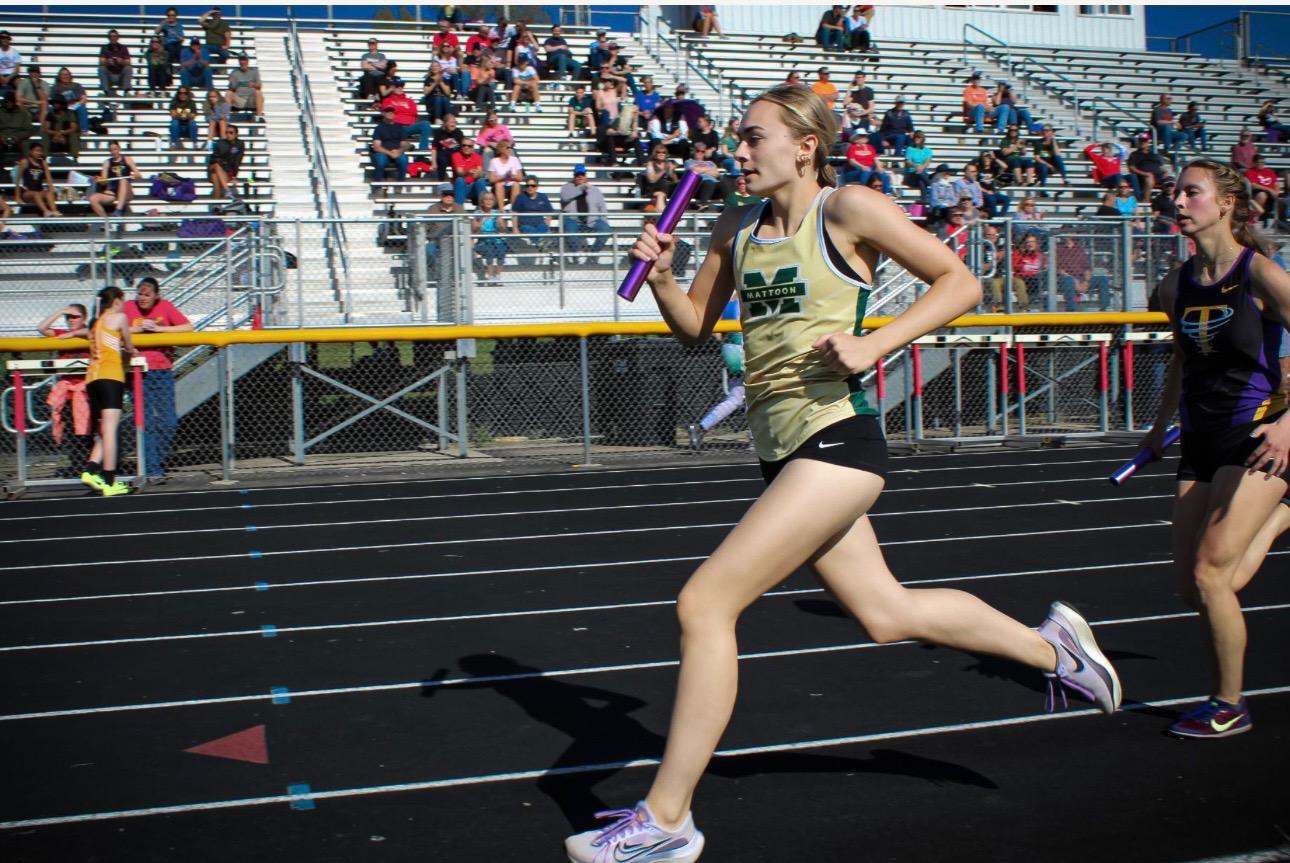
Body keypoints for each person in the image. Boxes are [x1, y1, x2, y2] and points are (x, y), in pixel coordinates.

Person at [565, 83, 1120, 863]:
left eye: (754, 137)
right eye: (737, 138)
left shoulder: (848, 209)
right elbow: (694, 330)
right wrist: (660, 277)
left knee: (706, 603)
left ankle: (666, 821)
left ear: (804, 145)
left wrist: (878, 342)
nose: (740, 150)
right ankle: (1054, 649)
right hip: (780, 448)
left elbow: (962, 283)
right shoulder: (734, 225)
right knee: (885, 611)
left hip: (839, 442)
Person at [1139, 158, 1290, 739]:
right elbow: (1181, 357)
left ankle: (1229, 704)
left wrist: (1287, 428)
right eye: (1175, 192)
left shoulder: (1259, 274)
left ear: (1226, 204)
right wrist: (1157, 428)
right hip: (1198, 438)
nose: (1178, 201)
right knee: (1192, 585)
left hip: (1256, 433)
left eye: (1192, 192)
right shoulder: (1173, 285)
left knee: (1210, 572)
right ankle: (1277, 522)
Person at [124, 277, 192, 482]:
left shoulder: (165, 306)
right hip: (137, 371)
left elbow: (188, 327)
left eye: (147, 294)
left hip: (163, 371)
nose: (142, 298)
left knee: (169, 421)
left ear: (156, 295)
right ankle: (152, 469)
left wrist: (159, 328)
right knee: (146, 422)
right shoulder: (128, 307)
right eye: (140, 294)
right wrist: (137, 329)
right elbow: (113, 329)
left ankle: (157, 462)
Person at [81, 286, 137, 497]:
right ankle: (109, 481)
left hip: (92, 378)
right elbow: (128, 346)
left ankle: (91, 469)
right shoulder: (119, 317)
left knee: (104, 430)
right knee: (111, 430)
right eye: (123, 300)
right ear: (116, 301)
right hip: (111, 376)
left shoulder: (94, 324)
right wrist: (130, 351)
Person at [37, 304, 92, 476]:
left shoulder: (88, 332)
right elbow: (42, 328)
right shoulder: (62, 334)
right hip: (68, 393)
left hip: (86, 391)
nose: (71, 320)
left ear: (84, 318)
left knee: (88, 430)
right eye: (68, 317)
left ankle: (89, 464)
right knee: (71, 430)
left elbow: (94, 333)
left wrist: (75, 333)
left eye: (75, 317)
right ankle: (76, 464)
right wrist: (61, 311)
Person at [688, 330, 745, 450]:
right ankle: (757, 437)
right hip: (745, 348)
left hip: (730, 350)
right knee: (756, 394)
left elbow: (717, 334)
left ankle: (701, 427)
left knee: (736, 398)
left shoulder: (723, 310)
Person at [559, 164, 611, 260]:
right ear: (574, 175)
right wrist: (582, 188)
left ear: (586, 175)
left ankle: (593, 254)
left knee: (606, 229)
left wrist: (605, 221)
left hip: (592, 220)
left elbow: (602, 208)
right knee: (569, 228)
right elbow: (565, 198)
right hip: (573, 220)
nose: (580, 176)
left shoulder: (595, 190)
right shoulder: (566, 187)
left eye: (582, 174)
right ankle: (576, 254)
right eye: (577, 174)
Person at [1055, 234, 1110, 311]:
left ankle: (1104, 308)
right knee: (1069, 281)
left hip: (1081, 278)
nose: (1067, 236)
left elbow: (1086, 268)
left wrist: (1086, 281)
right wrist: (1074, 281)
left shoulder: (1079, 249)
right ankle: (1071, 310)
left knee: (1103, 279)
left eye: (1069, 233)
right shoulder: (1058, 249)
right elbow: (1058, 269)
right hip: (1065, 278)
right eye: (1065, 233)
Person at [89, 140, 141, 217]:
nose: (114, 152)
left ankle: (118, 210)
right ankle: (107, 223)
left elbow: (139, 175)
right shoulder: (107, 162)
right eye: (111, 150)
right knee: (93, 199)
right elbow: (104, 181)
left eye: (115, 149)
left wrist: (134, 175)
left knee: (123, 180)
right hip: (113, 192)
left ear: (119, 149)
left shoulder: (127, 159)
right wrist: (99, 179)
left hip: (126, 191)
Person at [381, 78, 432, 153]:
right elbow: (388, 115)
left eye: (401, 86)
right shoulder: (387, 100)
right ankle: (405, 145)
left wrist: (398, 112)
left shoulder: (410, 101)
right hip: (395, 127)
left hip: (408, 127)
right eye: (397, 86)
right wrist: (404, 112)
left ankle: (422, 150)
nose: (400, 88)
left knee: (426, 124)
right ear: (392, 88)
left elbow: (414, 114)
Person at [422, 182, 460, 277]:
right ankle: (438, 275)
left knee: (468, 253)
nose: (449, 197)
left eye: (451, 194)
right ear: (440, 195)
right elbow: (425, 227)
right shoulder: (432, 209)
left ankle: (457, 277)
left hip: (455, 241)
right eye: (446, 194)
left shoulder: (460, 209)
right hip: (436, 240)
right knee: (428, 250)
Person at [472, 189, 509, 284]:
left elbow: (503, 229)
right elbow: (474, 230)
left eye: (491, 199)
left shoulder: (496, 213)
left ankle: (498, 275)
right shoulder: (478, 213)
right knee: (490, 251)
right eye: (486, 199)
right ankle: (490, 275)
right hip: (483, 240)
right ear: (482, 201)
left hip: (496, 239)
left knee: (501, 250)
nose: (488, 201)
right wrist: (480, 222)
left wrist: (500, 223)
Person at [512, 175, 555, 251]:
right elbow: (514, 213)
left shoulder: (543, 197)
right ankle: (541, 243)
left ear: (537, 186)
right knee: (530, 229)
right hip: (525, 225)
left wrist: (547, 224)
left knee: (544, 227)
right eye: (528, 185)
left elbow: (550, 212)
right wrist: (515, 228)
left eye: (533, 185)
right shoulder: (520, 197)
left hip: (539, 224)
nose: (530, 187)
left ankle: (539, 242)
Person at [16, 141, 57, 218]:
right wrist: (17, 197)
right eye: (37, 151)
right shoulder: (25, 162)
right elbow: (18, 180)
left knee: (48, 193)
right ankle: (45, 211)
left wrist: (52, 190)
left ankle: (54, 210)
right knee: (35, 193)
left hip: (39, 190)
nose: (39, 153)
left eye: (40, 151)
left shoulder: (43, 163)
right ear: (30, 151)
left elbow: (49, 179)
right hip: (27, 193)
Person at [1127, 134, 1171, 204]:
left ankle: (1169, 202)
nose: (1143, 143)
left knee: (1171, 180)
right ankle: (1146, 200)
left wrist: (1165, 171)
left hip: (1158, 175)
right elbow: (1131, 168)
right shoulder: (1134, 154)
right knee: (1149, 177)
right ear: (1138, 142)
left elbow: (1161, 166)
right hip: (1143, 176)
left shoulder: (1154, 154)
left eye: (1144, 141)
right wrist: (1145, 173)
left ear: (1148, 142)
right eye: (1141, 141)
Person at [370, 105, 408, 181]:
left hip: (397, 151)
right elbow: (377, 146)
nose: (391, 113)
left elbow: (404, 144)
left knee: (404, 160)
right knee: (380, 162)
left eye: (392, 112)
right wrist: (390, 153)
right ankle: (378, 186)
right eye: (388, 112)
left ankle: (400, 185)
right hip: (384, 152)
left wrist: (399, 151)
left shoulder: (400, 127)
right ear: (383, 114)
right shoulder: (379, 128)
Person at [208, 123, 244, 201]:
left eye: (231, 133)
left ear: (236, 134)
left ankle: (217, 207)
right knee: (216, 165)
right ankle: (228, 191)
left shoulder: (240, 144)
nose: (228, 135)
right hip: (215, 166)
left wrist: (234, 176)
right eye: (226, 132)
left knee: (216, 181)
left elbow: (237, 161)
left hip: (226, 171)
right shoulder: (221, 143)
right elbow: (213, 159)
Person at [639, 142, 678, 211]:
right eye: (658, 152)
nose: (661, 154)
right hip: (654, 188)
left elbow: (675, 180)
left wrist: (672, 171)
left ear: (666, 154)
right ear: (655, 153)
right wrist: (663, 170)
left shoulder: (668, 163)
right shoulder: (651, 163)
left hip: (666, 188)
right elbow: (652, 180)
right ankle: (665, 213)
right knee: (662, 189)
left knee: (675, 186)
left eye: (663, 152)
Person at [450, 137, 487, 205]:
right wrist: (468, 172)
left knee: (481, 181)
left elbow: (480, 172)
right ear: (461, 146)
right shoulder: (456, 155)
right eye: (464, 145)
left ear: (472, 148)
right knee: (460, 180)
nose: (466, 147)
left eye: (469, 146)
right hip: (460, 187)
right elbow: (459, 173)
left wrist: (477, 174)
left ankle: (483, 210)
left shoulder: (477, 157)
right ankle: (459, 210)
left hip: (473, 187)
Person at [51, 67, 89, 132]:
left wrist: (74, 106)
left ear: (70, 76)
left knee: (82, 108)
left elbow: (84, 99)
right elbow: (54, 101)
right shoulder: (55, 87)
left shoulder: (77, 86)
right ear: (59, 77)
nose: (65, 76)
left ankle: (84, 131)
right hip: (62, 107)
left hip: (76, 107)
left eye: (67, 74)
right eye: (63, 74)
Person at [226, 53, 262, 118]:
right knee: (228, 93)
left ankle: (259, 117)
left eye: (244, 60)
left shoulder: (254, 71)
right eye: (241, 60)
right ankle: (226, 117)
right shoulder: (234, 72)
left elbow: (259, 86)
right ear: (239, 61)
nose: (243, 62)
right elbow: (232, 88)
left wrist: (253, 84)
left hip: (251, 99)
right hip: (239, 99)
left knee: (258, 93)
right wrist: (231, 83)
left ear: (248, 61)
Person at [98, 29, 132, 95]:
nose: (113, 38)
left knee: (128, 68)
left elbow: (129, 62)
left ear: (118, 38)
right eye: (111, 36)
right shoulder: (104, 48)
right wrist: (107, 62)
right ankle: (106, 92)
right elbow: (101, 61)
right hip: (109, 76)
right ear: (108, 38)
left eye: (115, 36)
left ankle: (126, 92)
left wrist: (122, 62)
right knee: (101, 68)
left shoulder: (123, 48)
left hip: (120, 76)